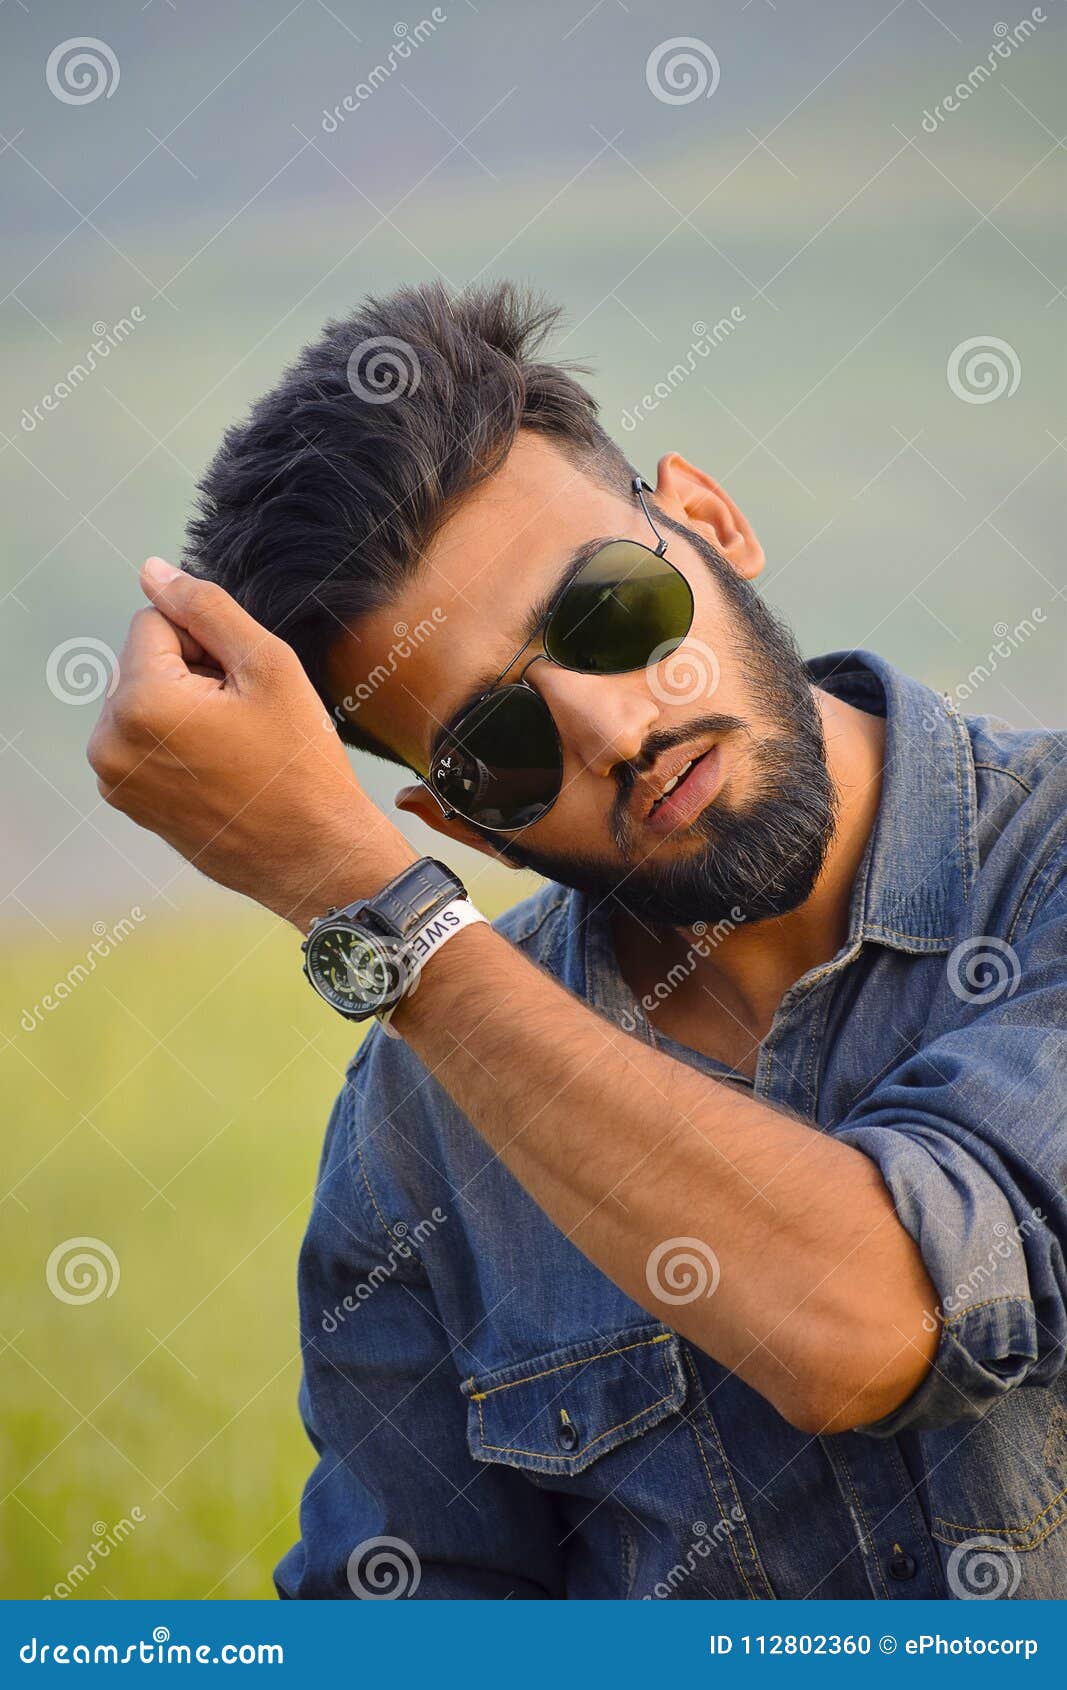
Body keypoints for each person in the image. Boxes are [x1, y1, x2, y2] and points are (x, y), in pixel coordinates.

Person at [87, 282, 1067, 1600]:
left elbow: (875, 1318)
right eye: (503, 742)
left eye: (610, 612)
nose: (611, 729)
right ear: (462, 826)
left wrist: (369, 902)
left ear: (712, 522)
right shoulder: (417, 1132)